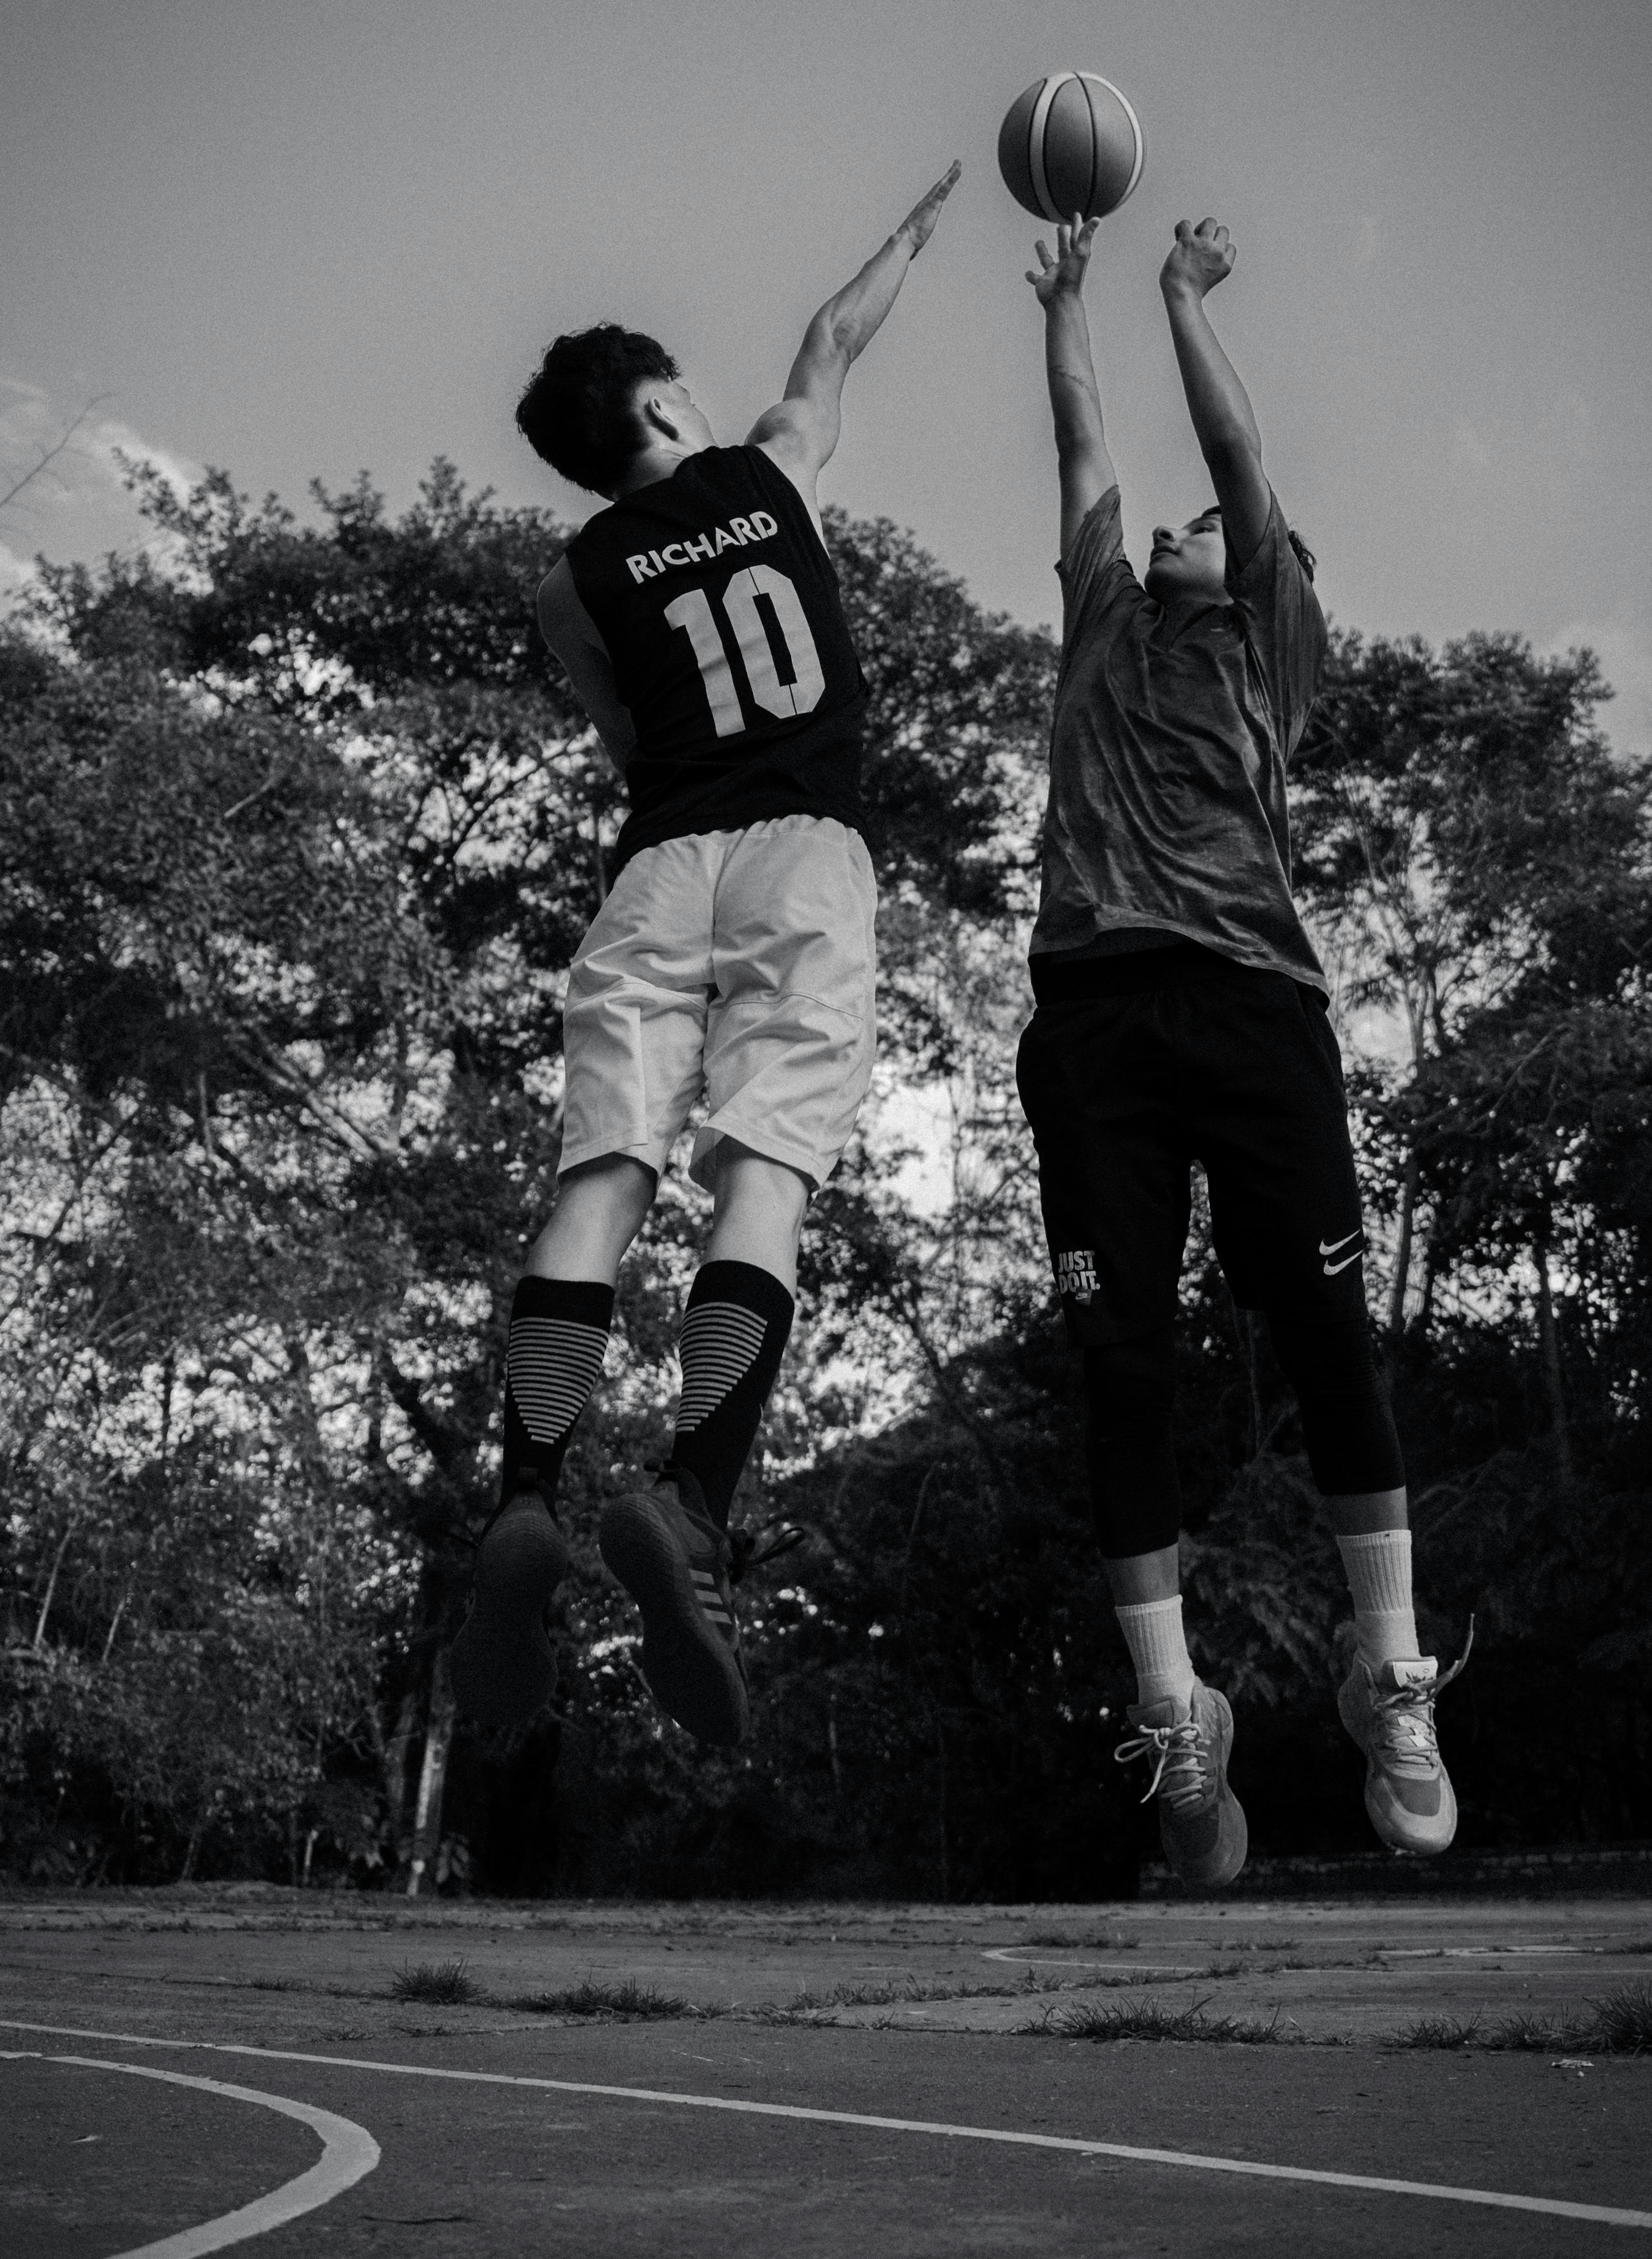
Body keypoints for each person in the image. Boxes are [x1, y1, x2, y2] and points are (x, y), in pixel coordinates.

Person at [450, 160, 961, 1744]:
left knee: (602, 1175)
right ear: (671, 404)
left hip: (661, 866)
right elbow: (830, 345)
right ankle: (689, 1504)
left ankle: (528, 1495)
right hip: (803, 854)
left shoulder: (567, 579)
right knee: (764, 1177)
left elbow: (627, 737)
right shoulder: (771, 472)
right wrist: (911, 233)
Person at [1014, 209, 1467, 1887]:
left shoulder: (1274, 640)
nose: (1193, 526)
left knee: (1330, 1334)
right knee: (1118, 1361)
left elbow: (1229, 444)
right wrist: (1065, 307)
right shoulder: (1102, 625)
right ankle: (1174, 1708)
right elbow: (1084, 443)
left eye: (1221, 528)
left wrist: (1178, 294)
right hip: (1095, 1018)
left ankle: (1390, 1676)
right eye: (1184, 527)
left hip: (1256, 1007)